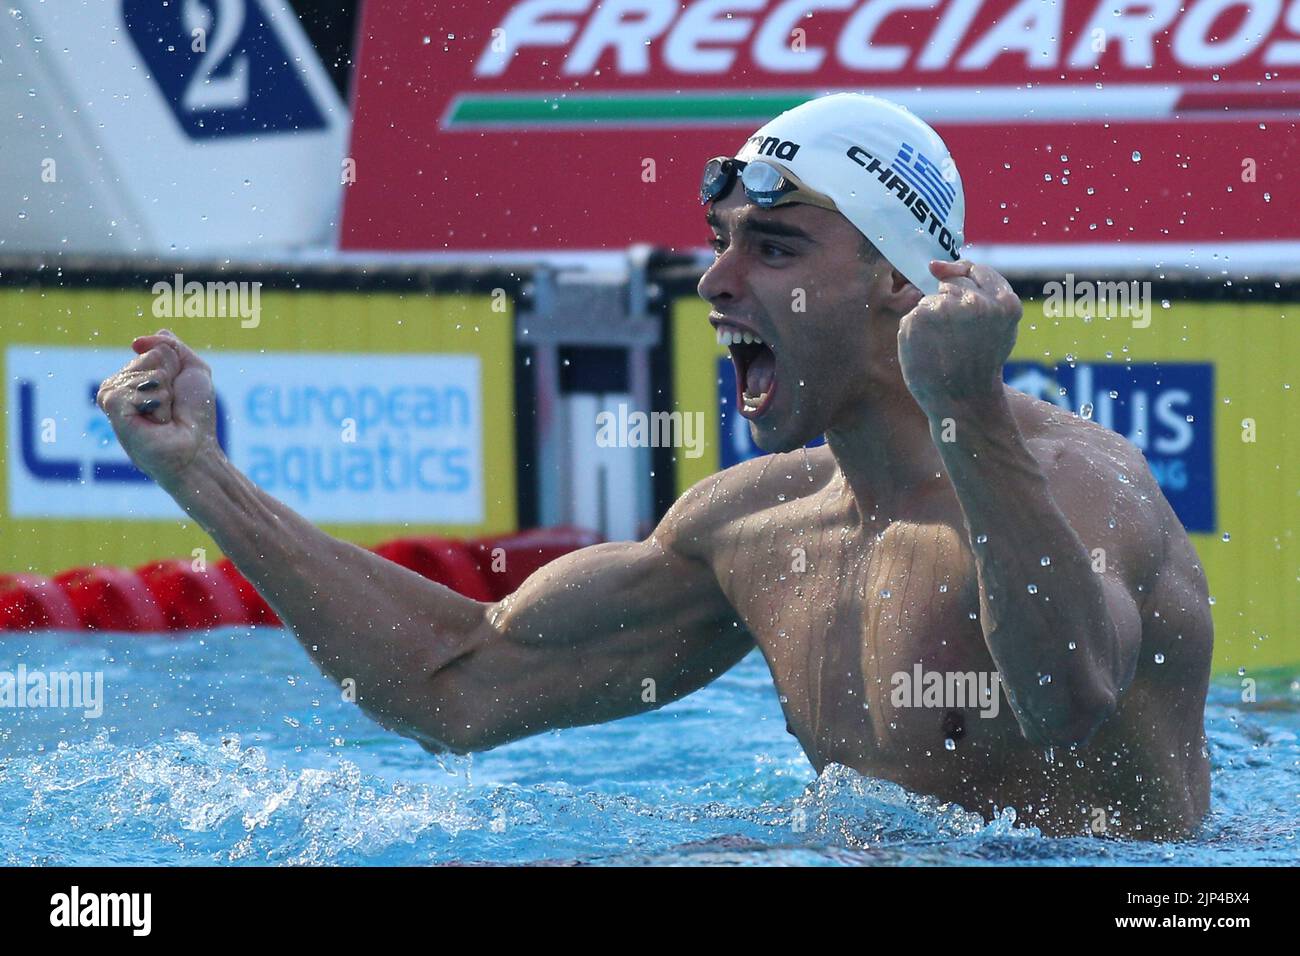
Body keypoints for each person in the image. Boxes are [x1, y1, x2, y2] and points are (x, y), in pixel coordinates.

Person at [97, 93, 1211, 839]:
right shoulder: (754, 530)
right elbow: (457, 685)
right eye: (720, 240)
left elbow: (1067, 696)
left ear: (900, 282)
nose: (716, 281)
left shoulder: (1077, 484)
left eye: (771, 248)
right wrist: (203, 475)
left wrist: (965, 405)